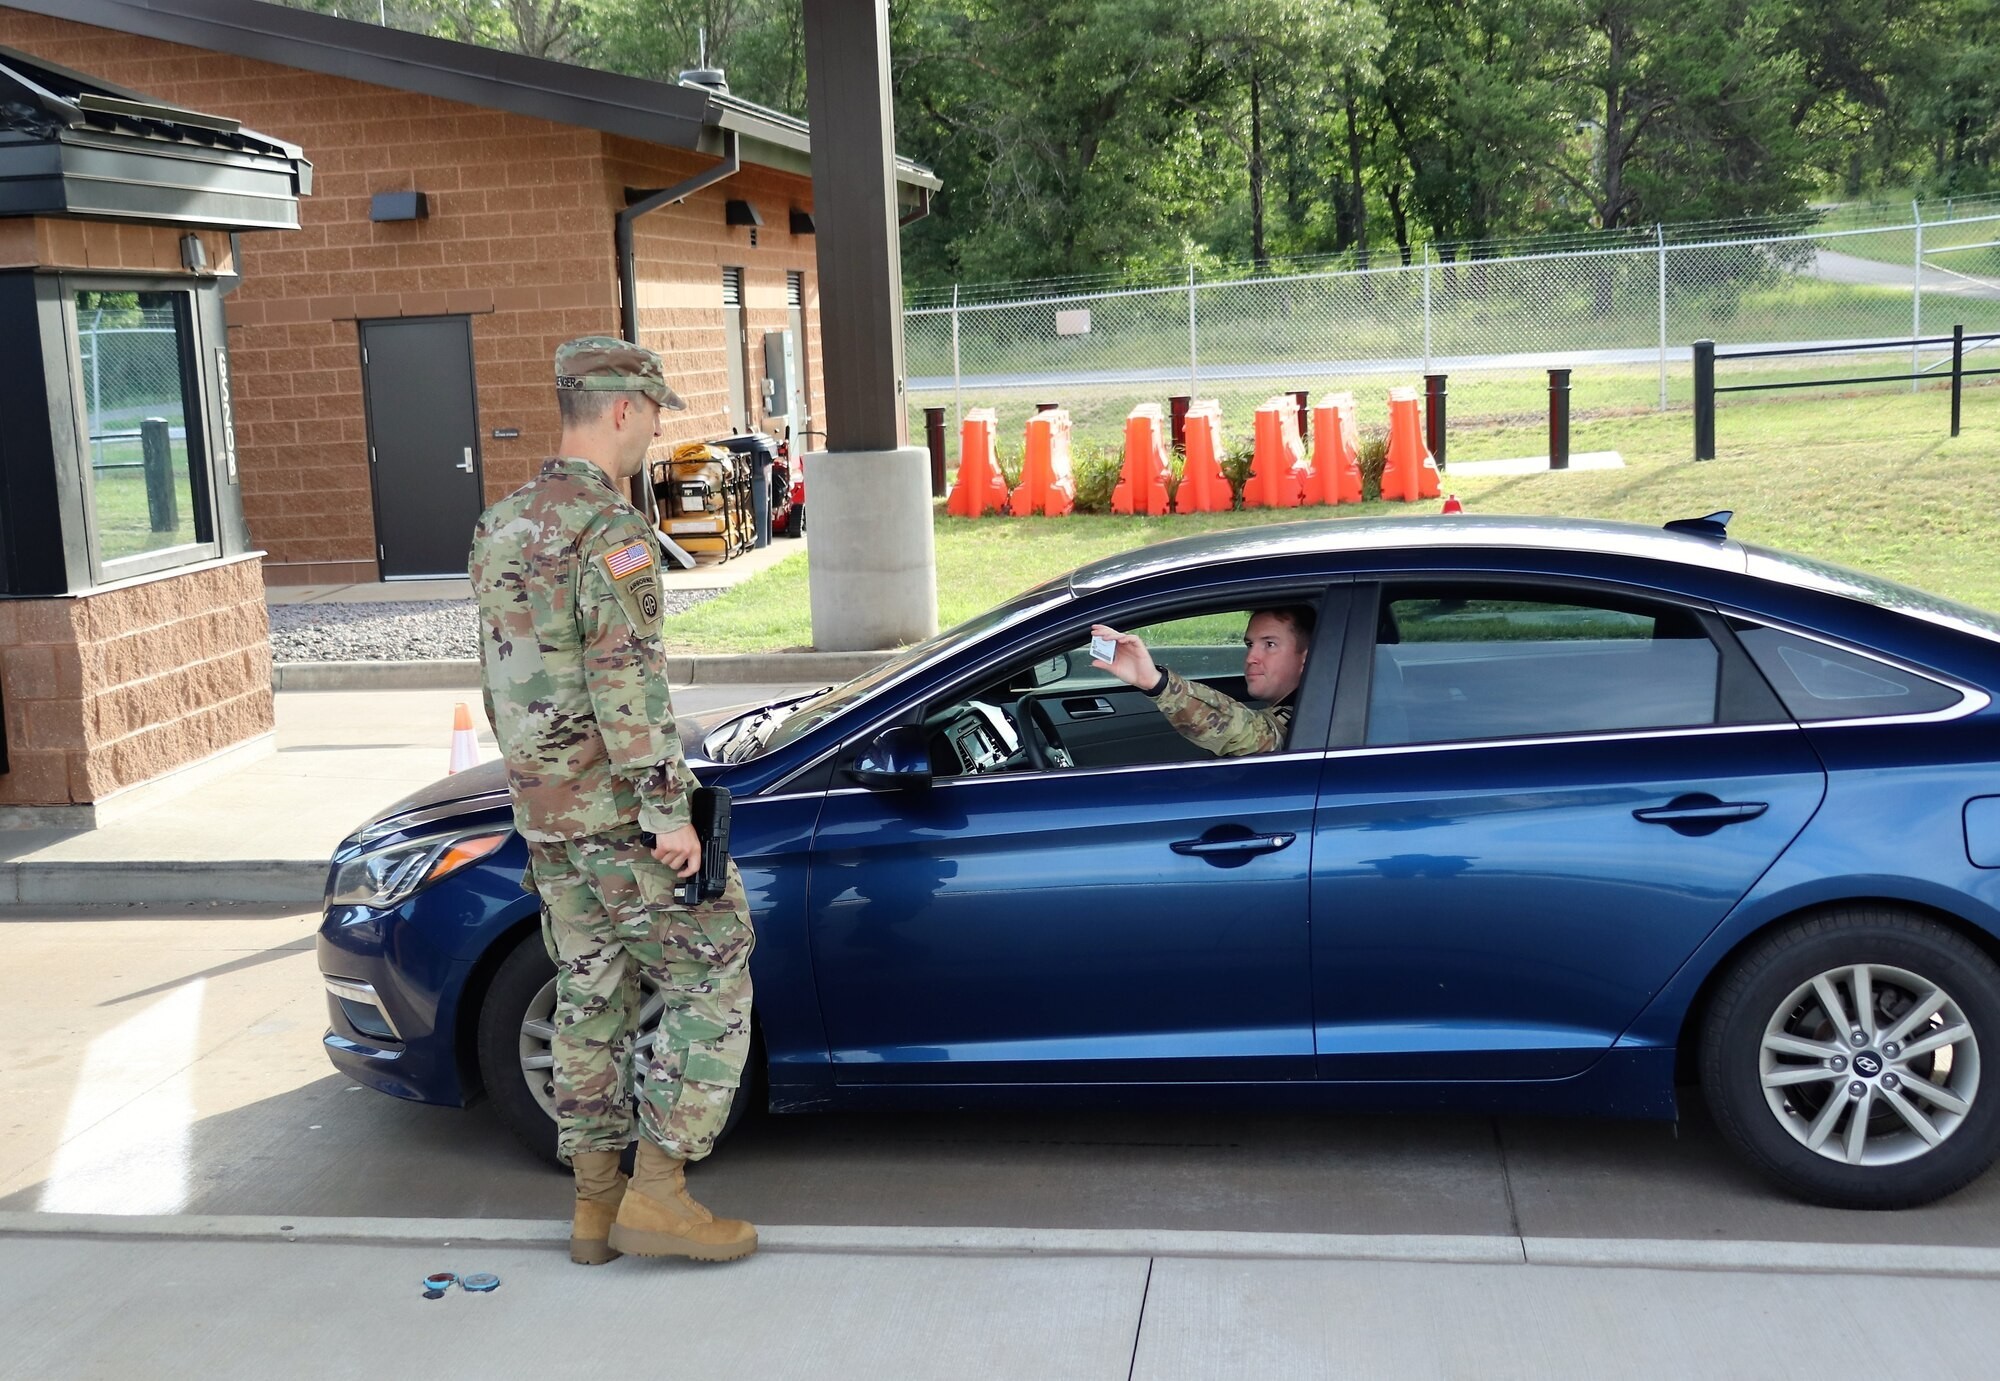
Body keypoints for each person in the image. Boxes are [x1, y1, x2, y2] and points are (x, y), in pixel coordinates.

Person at [469, 337, 758, 1266]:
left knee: (590, 997)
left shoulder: (500, 524)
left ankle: (595, 1209)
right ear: (621, 409)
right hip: (619, 819)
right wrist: (668, 811)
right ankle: (660, 1193)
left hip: (545, 820)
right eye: (656, 410)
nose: (661, 427)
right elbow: (625, 682)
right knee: (715, 971)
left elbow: (502, 682)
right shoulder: (611, 533)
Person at [1089, 606, 1314, 757]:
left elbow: (1250, 733)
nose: (1251, 658)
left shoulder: (1313, 719)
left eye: (1270, 645)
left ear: (1306, 658)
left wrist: (1157, 683)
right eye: (1250, 645)